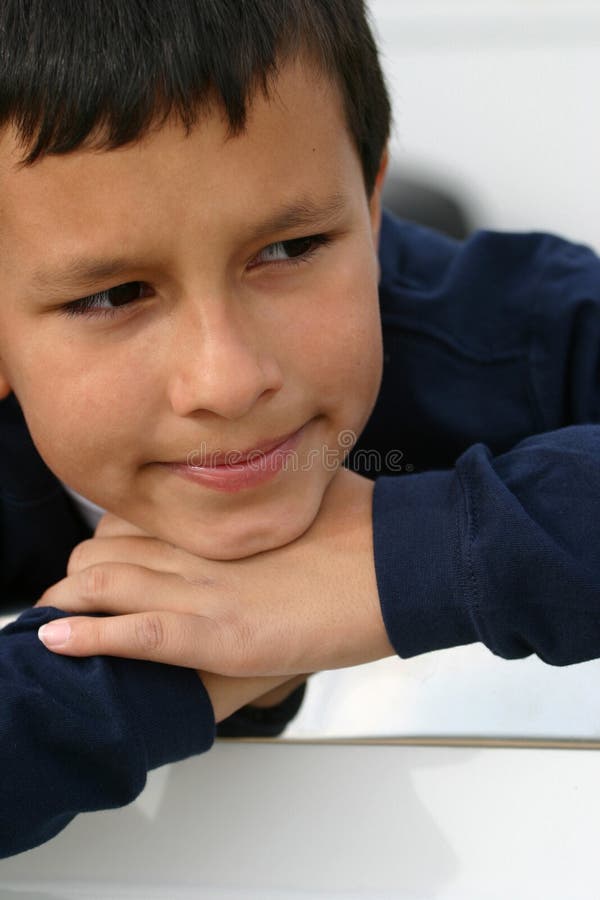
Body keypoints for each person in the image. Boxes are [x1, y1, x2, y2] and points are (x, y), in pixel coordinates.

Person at [0, 0, 598, 861]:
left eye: (292, 247)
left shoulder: (508, 332)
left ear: (373, 204)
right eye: (113, 296)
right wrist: (147, 666)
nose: (230, 380)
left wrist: (405, 561)